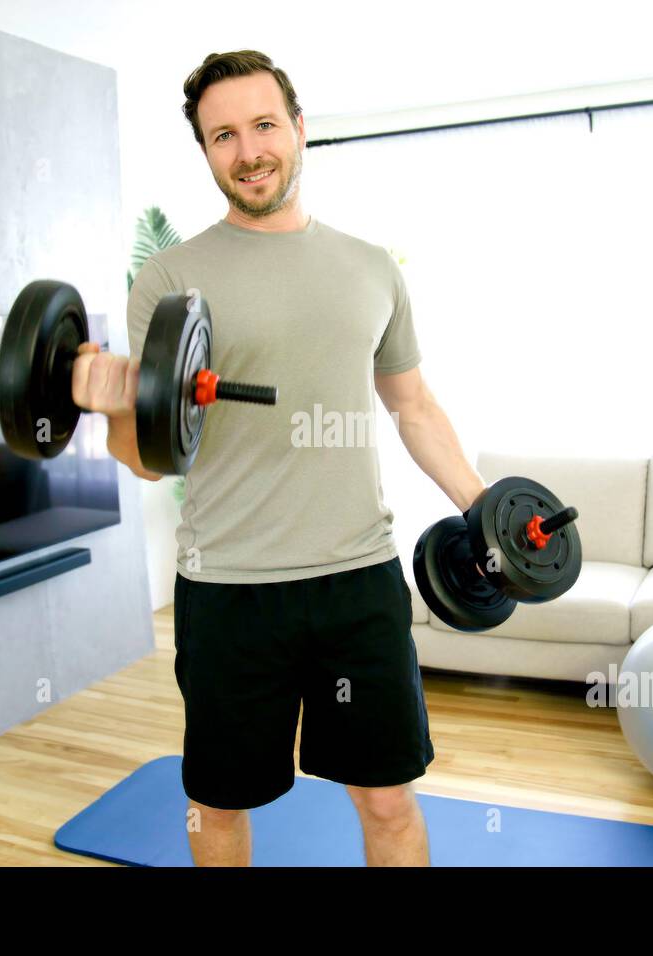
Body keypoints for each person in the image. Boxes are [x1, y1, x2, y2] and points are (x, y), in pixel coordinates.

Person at [71, 50, 486, 866]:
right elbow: (146, 460)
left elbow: (413, 404)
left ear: (299, 129)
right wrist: (115, 399)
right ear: (205, 151)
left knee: (389, 800)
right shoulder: (170, 278)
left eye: (264, 125)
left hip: (357, 579)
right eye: (223, 135)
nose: (248, 150)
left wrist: (487, 513)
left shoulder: (371, 269)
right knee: (218, 806)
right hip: (229, 590)